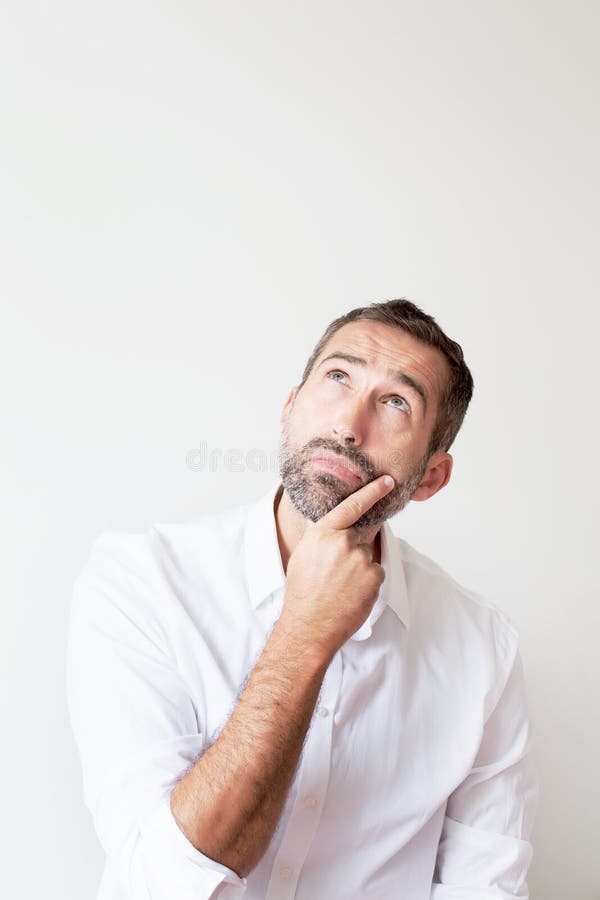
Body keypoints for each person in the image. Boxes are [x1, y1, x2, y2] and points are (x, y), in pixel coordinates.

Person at [66, 298, 538, 900]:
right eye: (337, 377)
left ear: (431, 477)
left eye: (396, 402)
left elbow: (486, 888)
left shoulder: (484, 648)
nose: (347, 424)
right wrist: (306, 633)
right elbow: (162, 883)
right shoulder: (141, 582)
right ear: (290, 408)